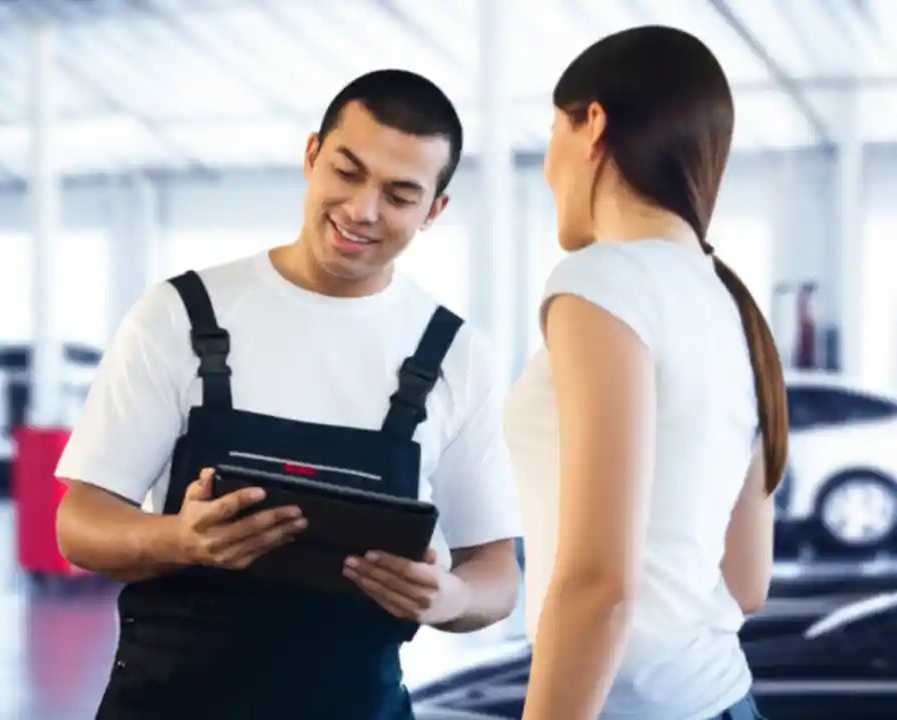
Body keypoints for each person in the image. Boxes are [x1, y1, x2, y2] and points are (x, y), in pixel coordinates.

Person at [54, 69, 522, 719]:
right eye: (347, 172)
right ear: (311, 155)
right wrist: (180, 539)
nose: (362, 210)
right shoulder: (181, 315)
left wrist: (450, 599)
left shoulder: (455, 355)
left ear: (434, 211)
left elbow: (495, 570)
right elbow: (79, 524)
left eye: (399, 195)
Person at [504, 26, 786, 720]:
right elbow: (746, 582)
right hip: (721, 697)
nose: (548, 166)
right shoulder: (729, 302)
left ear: (593, 125)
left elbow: (598, 584)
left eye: (553, 131)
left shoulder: (602, 281)